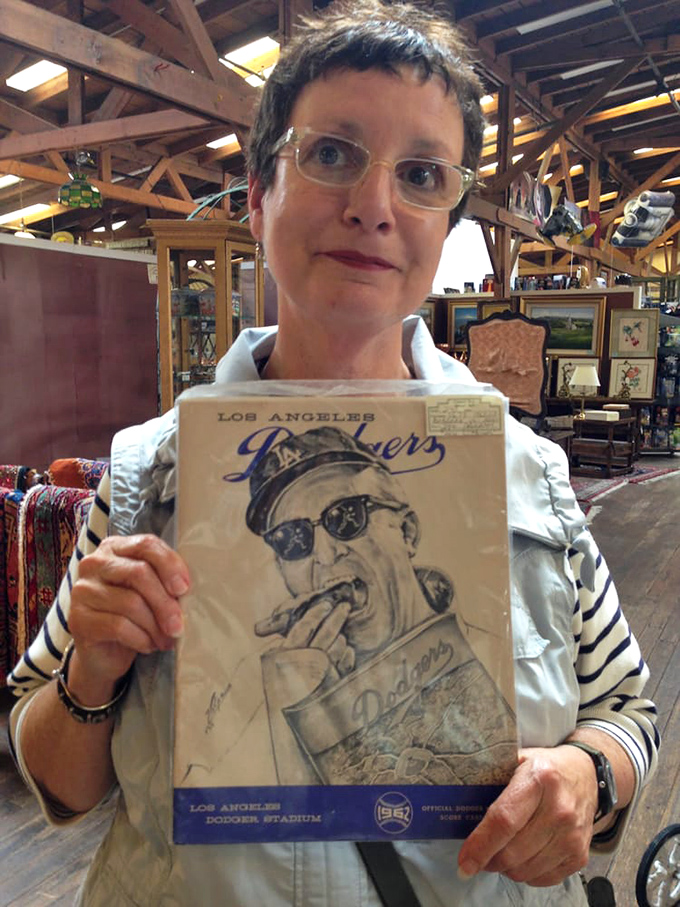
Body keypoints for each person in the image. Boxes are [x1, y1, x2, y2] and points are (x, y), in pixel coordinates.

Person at [7, 1, 658, 904]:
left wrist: (589, 774)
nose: (373, 206)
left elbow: (629, 713)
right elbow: (57, 785)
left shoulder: (529, 475)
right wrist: (92, 664)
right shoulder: (148, 476)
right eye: (331, 154)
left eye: (422, 173)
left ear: (447, 218)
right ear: (259, 195)